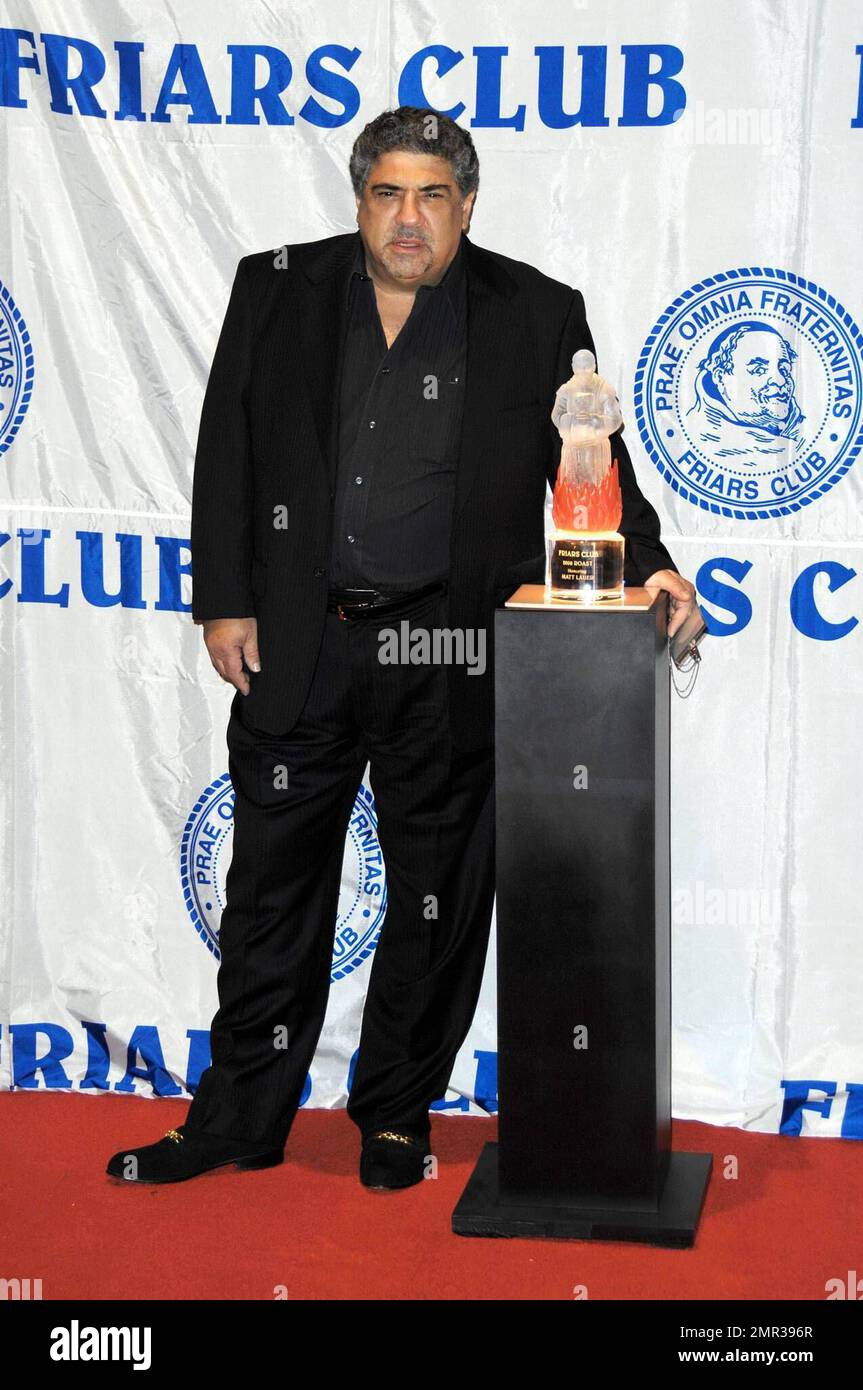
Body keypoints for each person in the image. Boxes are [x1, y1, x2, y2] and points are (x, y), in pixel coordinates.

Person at [107, 105, 696, 1192]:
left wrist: (648, 559)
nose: (408, 217)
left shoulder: (534, 312)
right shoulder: (275, 285)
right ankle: (236, 1117)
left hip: (448, 651)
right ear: (359, 199)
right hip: (300, 646)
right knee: (270, 897)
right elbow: (225, 449)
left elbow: (591, 466)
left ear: (466, 205)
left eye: (432, 195)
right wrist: (224, 600)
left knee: (435, 898)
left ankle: (393, 1114)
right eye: (388, 192)